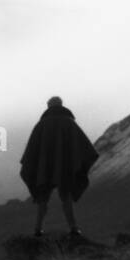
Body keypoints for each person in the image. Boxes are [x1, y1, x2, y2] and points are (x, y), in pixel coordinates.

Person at [19, 96, 98, 237]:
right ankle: (74, 228)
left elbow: (32, 151)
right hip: (65, 167)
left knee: (43, 199)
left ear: (48, 106)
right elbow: (84, 147)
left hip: (44, 169)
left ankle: (38, 229)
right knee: (66, 197)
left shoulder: (41, 125)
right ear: (61, 105)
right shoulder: (69, 123)